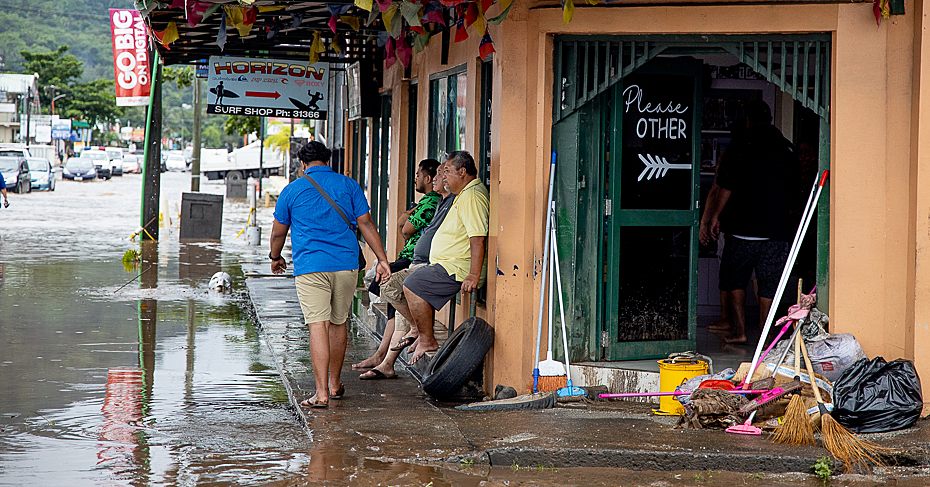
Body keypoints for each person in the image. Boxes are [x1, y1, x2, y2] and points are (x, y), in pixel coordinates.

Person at [269, 141, 391, 408]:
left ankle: (321, 393)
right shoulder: (349, 185)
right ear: (328, 161)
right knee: (338, 323)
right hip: (346, 266)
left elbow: (279, 232)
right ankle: (335, 385)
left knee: (317, 325)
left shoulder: (292, 190)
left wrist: (275, 257)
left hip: (311, 267)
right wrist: (382, 259)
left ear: (302, 164)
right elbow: (366, 224)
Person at [699, 100, 800, 345]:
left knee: (735, 280)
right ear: (770, 120)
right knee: (768, 285)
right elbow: (796, 192)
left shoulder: (740, 145)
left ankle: (740, 331)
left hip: (741, 230)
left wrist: (714, 217)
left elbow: (725, 187)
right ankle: (766, 336)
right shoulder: (786, 149)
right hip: (775, 232)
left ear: (748, 121)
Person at [357, 162, 455, 379]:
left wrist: (407, 217)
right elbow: (402, 224)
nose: (440, 178)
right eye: (439, 174)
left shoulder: (434, 201)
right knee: (391, 295)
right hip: (414, 260)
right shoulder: (439, 201)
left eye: (420, 174)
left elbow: (407, 228)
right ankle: (384, 357)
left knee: (394, 286)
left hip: (421, 262)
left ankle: (392, 355)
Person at [401, 151, 489, 364]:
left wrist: (473, 274)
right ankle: (422, 337)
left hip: (458, 269)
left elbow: (477, 238)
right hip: (448, 265)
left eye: (447, 172)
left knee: (412, 284)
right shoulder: (464, 194)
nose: (444, 177)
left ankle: (427, 340)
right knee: (412, 283)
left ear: (462, 171)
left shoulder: (472, 196)